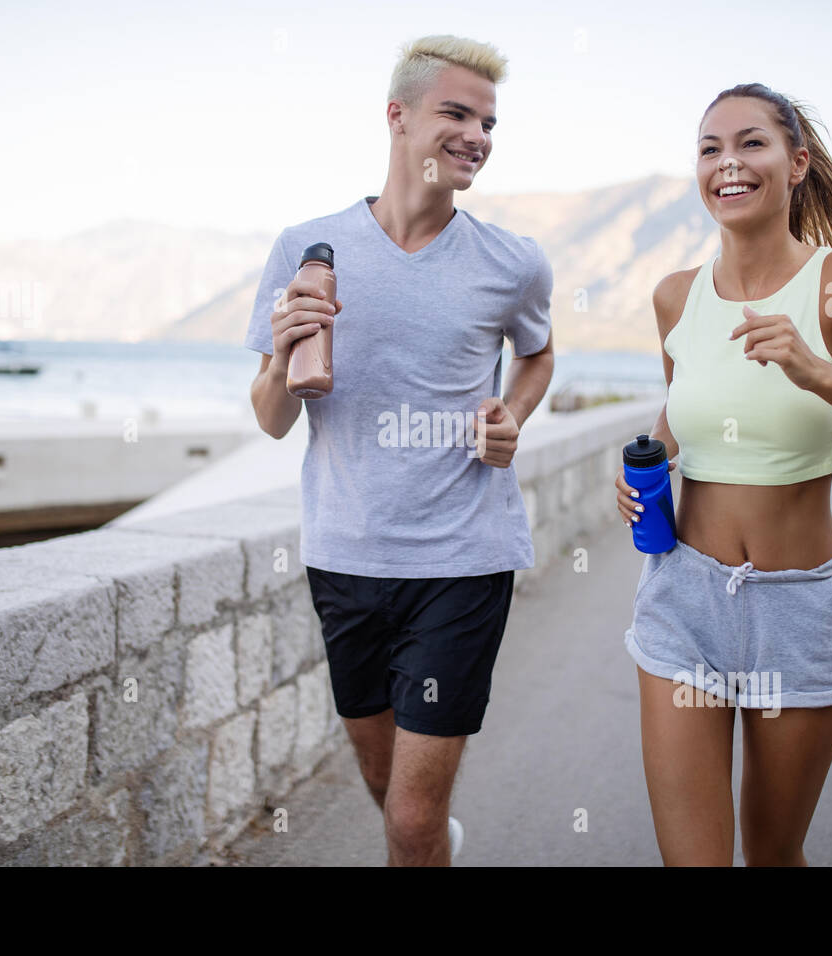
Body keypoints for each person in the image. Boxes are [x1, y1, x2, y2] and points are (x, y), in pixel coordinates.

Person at [245, 34, 554, 866]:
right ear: (398, 116)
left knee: (412, 820)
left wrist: (512, 414)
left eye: (488, 122)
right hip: (345, 559)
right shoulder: (309, 250)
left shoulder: (511, 263)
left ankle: (423, 841)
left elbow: (539, 353)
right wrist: (283, 354)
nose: (477, 136)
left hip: (463, 560)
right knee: (387, 793)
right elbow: (274, 419)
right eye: (457, 112)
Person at [615, 83, 832, 866]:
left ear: (796, 163)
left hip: (796, 609)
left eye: (751, 143)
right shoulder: (675, 296)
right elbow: (683, 404)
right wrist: (645, 468)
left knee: (770, 856)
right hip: (683, 600)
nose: (728, 162)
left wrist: (817, 370)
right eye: (710, 148)